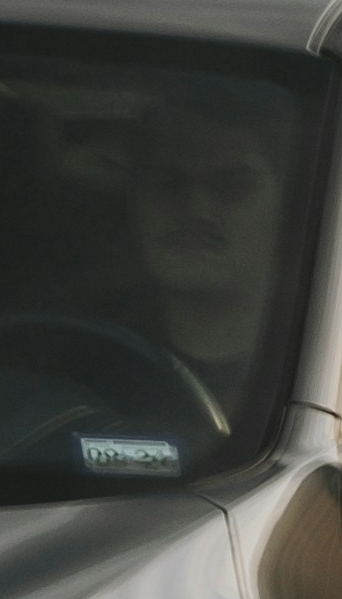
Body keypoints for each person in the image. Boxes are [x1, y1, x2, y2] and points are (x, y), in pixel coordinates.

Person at [115, 88, 297, 404]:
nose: (196, 210)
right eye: (168, 184)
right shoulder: (70, 358)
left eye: (231, 185)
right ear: (134, 202)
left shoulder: (329, 365)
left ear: (287, 208)